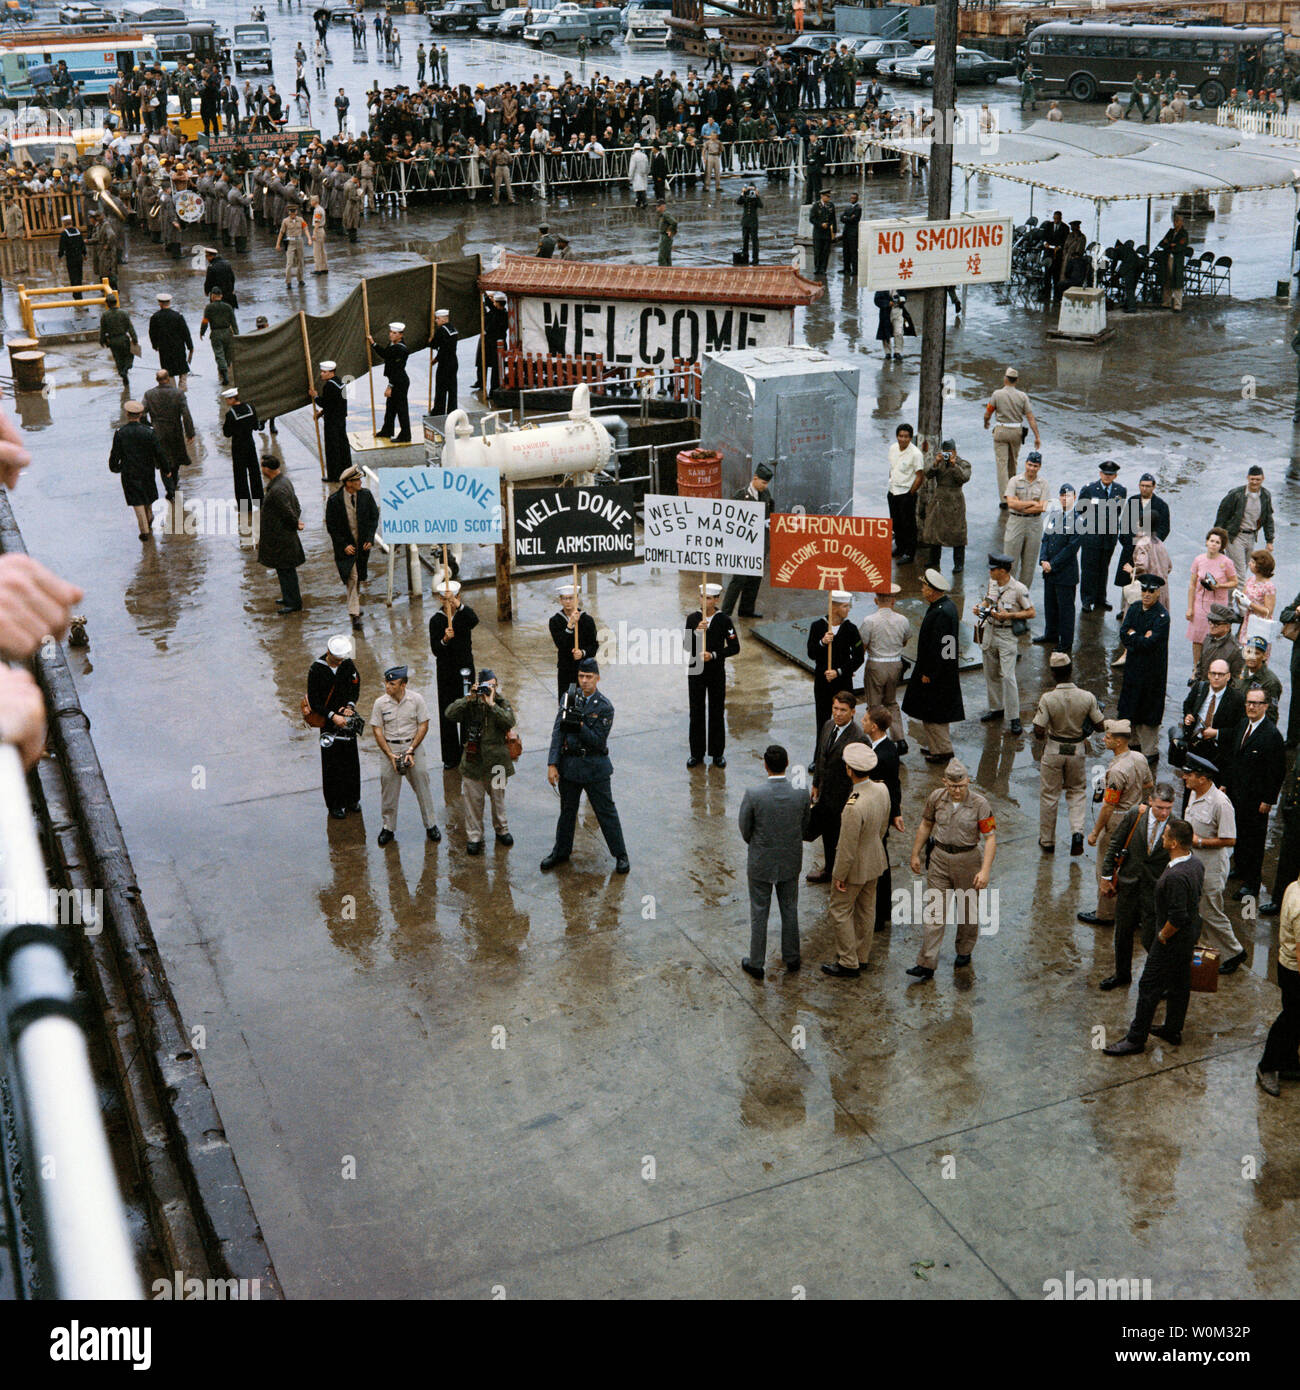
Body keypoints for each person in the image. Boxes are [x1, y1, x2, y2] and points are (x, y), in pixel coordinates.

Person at [1102, 818, 1204, 1054]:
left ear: (1174, 843)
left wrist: (1163, 935)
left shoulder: (1175, 876)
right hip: (1190, 936)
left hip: (1173, 939)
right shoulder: (1195, 864)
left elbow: (1177, 916)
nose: (1162, 838)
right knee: (1180, 982)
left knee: (1149, 985)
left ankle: (1136, 1038)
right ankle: (1172, 1028)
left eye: (1166, 835)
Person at [906, 759, 997, 980]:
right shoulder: (936, 798)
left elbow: (990, 838)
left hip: (968, 860)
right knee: (935, 912)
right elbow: (926, 824)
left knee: (967, 910)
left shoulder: (980, 804)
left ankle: (964, 950)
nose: (957, 791)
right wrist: (915, 853)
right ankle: (927, 962)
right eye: (952, 786)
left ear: (968, 781)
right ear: (944, 782)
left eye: (962, 786)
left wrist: (984, 871)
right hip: (939, 858)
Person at [541, 658, 629, 874]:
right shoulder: (569, 698)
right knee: (567, 811)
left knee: (606, 811)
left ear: (597, 678)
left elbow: (599, 741)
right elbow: (558, 732)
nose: (584, 681)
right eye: (581, 676)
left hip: (594, 766)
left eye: (589, 677)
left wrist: (579, 724)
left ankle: (621, 854)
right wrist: (552, 763)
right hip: (570, 765)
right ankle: (561, 851)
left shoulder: (605, 707)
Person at [739, 743, 812, 979]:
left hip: (761, 861)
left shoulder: (754, 794)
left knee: (759, 912)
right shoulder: (801, 793)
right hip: (790, 860)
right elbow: (804, 826)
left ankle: (756, 962)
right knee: (789, 908)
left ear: (765, 765)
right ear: (787, 764)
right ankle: (792, 957)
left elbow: (745, 829)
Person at [822, 742, 890, 978]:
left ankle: (848, 961)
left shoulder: (853, 806)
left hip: (855, 867)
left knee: (840, 910)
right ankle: (862, 955)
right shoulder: (882, 790)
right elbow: (882, 827)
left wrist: (839, 875)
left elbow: (847, 847)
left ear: (849, 770)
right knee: (866, 909)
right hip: (875, 859)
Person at [1098, 781, 1175, 990]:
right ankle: (1122, 975)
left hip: (1154, 890)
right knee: (1122, 933)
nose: (1163, 813)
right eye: (1159, 807)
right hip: (1129, 884)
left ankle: (1162, 981)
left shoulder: (1175, 825)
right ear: (1150, 802)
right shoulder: (1136, 815)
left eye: (1168, 809)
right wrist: (1106, 876)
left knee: (1152, 937)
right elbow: (1115, 842)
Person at [1078, 720, 1155, 928]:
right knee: (1130, 866)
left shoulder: (1118, 770)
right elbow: (1148, 783)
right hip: (1136, 817)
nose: (1104, 739)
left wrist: (1095, 832)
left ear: (1119, 741)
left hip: (1117, 820)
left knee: (1107, 864)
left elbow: (1108, 807)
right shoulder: (1139, 757)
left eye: (1108, 737)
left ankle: (1105, 913)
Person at [1033, 652, 1104, 855]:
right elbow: (1100, 725)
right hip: (1077, 749)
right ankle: (1077, 833)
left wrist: (1044, 737)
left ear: (1053, 674)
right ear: (1071, 670)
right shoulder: (1087, 697)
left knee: (1049, 795)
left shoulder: (1048, 698)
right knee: (1076, 792)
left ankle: (1047, 841)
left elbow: (1038, 729)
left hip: (1054, 748)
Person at [1223, 689, 1285, 918]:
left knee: (1254, 839)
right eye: (1249, 702)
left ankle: (1252, 881)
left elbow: (1277, 772)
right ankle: (1239, 867)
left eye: (1257, 704)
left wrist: (1269, 800)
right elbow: (1233, 758)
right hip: (1237, 793)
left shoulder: (1271, 735)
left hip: (1257, 799)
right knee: (1238, 833)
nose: (1252, 707)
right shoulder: (1243, 726)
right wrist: (1226, 785)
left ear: (1266, 706)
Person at [1180, 752, 1243, 974]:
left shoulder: (1220, 803)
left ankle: (1235, 952)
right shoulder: (1194, 794)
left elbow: (1230, 839)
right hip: (1194, 864)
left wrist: (1201, 841)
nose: (1184, 778)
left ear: (1203, 778)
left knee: (1211, 911)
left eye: (1189, 775)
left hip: (1211, 868)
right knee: (1199, 910)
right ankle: (1209, 951)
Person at [444, 670, 516, 855]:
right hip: (473, 763)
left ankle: (502, 830)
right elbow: (450, 714)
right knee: (473, 803)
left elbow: (509, 721)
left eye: (492, 685)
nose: (489, 689)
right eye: (486, 685)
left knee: (498, 800)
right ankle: (474, 836)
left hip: (497, 764)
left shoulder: (500, 703)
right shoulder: (471, 703)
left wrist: (492, 704)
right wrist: (468, 698)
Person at [371, 665, 441, 847]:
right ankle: (388, 827)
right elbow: (377, 730)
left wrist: (411, 750)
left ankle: (430, 824)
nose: (387, 686)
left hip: (413, 747)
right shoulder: (380, 703)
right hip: (390, 748)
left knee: (422, 785)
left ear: (403, 685)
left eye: (392, 683)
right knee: (388, 789)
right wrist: (390, 755)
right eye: (386, 682)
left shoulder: (416, 700)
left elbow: (423, 725)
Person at [807, 690, 868, 885]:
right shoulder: (828, 725)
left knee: (843, 839)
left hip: (844, 798)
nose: (838, 713)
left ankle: (842, 873)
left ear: (852, 712)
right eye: (835, 708)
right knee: (827, 834)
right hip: (826, 793)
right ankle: (829, 869)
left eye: (843, 710)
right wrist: (816, 783)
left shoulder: (859, 738)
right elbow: (821, 756)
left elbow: (863, 774)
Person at [904, 569, 963, 763]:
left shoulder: (942, 612)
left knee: (935, 713)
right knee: (930, 711)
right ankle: (935, 746)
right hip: (940, 671)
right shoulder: (944, 607)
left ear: (933, 590)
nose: (922, 589)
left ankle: (943, 751)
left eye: (924, 586)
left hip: (935, 673)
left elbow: (941, 647)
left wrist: (930, 672)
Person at [974, 552, 1034, 736]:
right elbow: (989, 599)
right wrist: (980, 608)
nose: (990, 572)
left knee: (1008, 677)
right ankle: (996, 708)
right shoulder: (993, 583)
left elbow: (1031, 612)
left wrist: (1009, 616)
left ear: (1003, 571)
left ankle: (1014, 717)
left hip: (1007, 634)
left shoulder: (1018, 589)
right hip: (990, 631)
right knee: (990, 673)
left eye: (993, 569)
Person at [685, 581, 739, 769]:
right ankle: (696, 753)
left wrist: (714, 655)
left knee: (716, 711)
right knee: (696, 712)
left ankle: (717, 753)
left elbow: (734, 647)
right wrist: (697, 633)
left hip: (715, 671)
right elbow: (687, 646)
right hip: (696, 670)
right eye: (702, 597)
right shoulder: (693, 618)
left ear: (716, 600)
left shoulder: (724, 620)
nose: (704, 601)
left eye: (708, 598)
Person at [1117, 572, 1170, 760]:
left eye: (1151, 591)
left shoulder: (1162, 616)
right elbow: (1123, 633)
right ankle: (1132, 745)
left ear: (1158, 593)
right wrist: (1139, 637)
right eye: (1144, 590)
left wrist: (1134, 636)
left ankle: (1149, 754)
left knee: (1148, 713)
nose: (1146, 594)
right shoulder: (1134, 608)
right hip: (1133, 669)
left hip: (1151, 674)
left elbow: (1150, 643)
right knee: (1130, 709)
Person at [308, 635, 362, 820]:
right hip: (328, 721)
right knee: (332, 765)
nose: (340, 662)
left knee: (351, 760)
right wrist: (333, 716)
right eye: (337, 659)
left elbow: (355, 687)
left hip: (346, 719)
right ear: (329, 653)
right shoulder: (316, 669)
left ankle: (352, 799)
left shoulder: (347, 665)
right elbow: (314, 701)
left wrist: (349, 706)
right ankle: (335, 804)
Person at [1256, 873, 1300, 1094]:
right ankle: (1267, 1066)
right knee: (1290, 1020)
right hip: (1295, 972)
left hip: (1285, 963)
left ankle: (1289, 1061)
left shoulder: (1293, 886)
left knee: (1294, 1019)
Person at [429, 577, 479, 768]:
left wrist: (457, 604)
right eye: (446, 599)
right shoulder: (436, 620)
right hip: (446, 674)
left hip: (465, 671)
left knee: (468, 711)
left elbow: (474, 620)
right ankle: (451, 757)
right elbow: (435, 649)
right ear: (440, 600)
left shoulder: (464, 615)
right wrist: (444, 639)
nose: (449, 603)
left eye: (453, 599)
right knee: (448, 713)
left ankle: (468, 752)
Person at [806, 590, 864, 750]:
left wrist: (839, 671)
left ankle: (846, 752)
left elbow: (859, 658)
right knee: (823, 721)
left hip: (843, 681)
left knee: (845, 720)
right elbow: (811, 653)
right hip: (823, 682)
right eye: (845, 606)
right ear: (834, 607)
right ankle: (819, 755)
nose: (848, 609)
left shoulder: (851, 629)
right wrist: (822, 643)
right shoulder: (817, 626)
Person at [325, 465, 378, 631]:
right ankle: (354, 613)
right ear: (348, 483)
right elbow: (332, 527)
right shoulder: (334, 501)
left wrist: (370, 538)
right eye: (357, 480)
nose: (360, 482)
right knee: (352, 577)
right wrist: (343, 545)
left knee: (359, 575)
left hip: (362, 546)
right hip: (346, 549)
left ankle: (354, 603)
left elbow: (373, 517)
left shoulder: (366, 496)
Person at [720, 462, 774, 619]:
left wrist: (769, 521)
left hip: (760, 544)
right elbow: (734, 520)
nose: (764, 486)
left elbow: (770, 510)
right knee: (739, 579)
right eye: (763, 482)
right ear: (755, 478)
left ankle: (746, 610)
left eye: (766, 483)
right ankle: (725, 613)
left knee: (755, 578)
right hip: (743, 545)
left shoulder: (766, 494)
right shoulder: (740, 495)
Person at [1034, 484, 1081, 653]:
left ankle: (1066, 642)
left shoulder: (1078, 521)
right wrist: (1043, 560)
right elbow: (1045, 539)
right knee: (1050, 605)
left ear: (1074, 498)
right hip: (1049, 571)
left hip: (1065, 573)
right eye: (1062, 495)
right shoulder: (1054, 516)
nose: (1064, 498)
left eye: (1068, 496)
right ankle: (1051, 634)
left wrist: (1052, 565)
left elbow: (1071, 548)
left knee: (1066, 610)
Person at [1180, 658, 1244, 782]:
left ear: (1228, 676)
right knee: (1190, 783)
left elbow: (1239, 729)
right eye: (1213, 673)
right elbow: (1187, 704)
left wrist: (1217, 733)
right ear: (1208, 675)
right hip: (1195, 744)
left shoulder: (1237, 699)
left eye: (1220, 674)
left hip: (1217, 752)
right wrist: (1188, 716)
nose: (1216, 677)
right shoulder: (1199, 687)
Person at [108, 401, 164, 541]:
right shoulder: (149, 432)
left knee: (137, 500)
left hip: (129, 472)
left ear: (127, 414)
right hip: (147, 470)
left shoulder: (120, 433)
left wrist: (115, 467)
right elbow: (159, 452)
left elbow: (115, 454)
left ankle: (144, 530)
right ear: (140, 414)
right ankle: (149, 516)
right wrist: (165, 468)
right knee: (148, 496)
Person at [983, 367, 1040, 502]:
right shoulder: (1022, 396)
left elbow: (988, 412)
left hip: (1001, 431)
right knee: (1012, 463)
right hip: (1016, 432)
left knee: (1001, 465)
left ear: (1005, 378)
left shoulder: (997, 394)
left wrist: (986, 422)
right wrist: (1037, 436)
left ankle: (1004, 499)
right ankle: (1013, 494)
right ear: (1017, 380)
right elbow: (1030, 417)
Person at [256, 455, 304, 615]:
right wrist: (296, 520)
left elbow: (288, 511)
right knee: (283, 569)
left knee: (286, 570)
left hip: (282, 537)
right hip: (282, 535)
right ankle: (287, 597)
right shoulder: (284, 481)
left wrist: (295, 523)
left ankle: (293, 602)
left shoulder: (277, 490)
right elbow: (296, 504)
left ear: (267, 469)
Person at [860, 585, 908, 746]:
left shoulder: (869, 621)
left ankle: (879, 741)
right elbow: (905, 641)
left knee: (874, 705)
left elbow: (863, 645)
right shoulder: (903, 620)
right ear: (893, 601)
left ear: (876, 600)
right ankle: (899, 738)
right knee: (891, 702)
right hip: (895, 664)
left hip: (876, 664)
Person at [1214, 464, 1274, 584]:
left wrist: (1269, 540)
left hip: (1251, 536)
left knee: (1242, 570)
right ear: (1247, 478)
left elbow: (1268, 518)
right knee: (1240, 574)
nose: (1255, 482)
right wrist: (1218, 539)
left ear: (1263, 479)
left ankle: (1228, 598)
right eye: (1252, 479)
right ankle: (1237, 603)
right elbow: (1221, 516)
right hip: (1235, 536)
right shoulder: (1236, 494)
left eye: (1257, 479)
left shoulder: (1266, 495)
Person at [916, 437, 969, 574]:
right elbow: (927, 474)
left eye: (950, 452)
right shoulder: (939, 462)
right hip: (939, 499)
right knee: (936, 531)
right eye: (945, 452)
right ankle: (934, 559)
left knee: (958, 533)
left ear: (955, 452)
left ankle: (959, 563)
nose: (947, 455)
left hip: (955, 500)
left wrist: (953, 465)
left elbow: (963, 478)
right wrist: (935, 463)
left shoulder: (963, 464)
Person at [1077, 460, 1124, 612]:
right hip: (1092, 536)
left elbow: (1117, 511)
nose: (1107, 477)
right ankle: (1087, 599)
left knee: (1103, 568)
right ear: (1100, 474)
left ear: (1115, 476)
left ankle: (1100, 598)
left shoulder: (1120, 491)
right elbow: (1081, 510)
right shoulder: (1089, 489)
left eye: (1110, 475)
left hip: (1109, 537)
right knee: (1089, 568)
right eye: (1104, 474)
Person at [141, 369, 194, 502]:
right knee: (175, 458)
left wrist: (149, 426)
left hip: (158, 432)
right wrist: (190, 432)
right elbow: (186, 414)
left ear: (156, 379)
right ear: (169, 378)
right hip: (175, 430)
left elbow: (141, 413)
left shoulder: (149, 394)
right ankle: (174, 484)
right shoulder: (178, 393)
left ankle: (169, 489)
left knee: (162, 460)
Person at [1003, 451, 1048, 588]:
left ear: (1039, 467)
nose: (1032, 468)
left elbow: (1043, 506)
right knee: (1010, 562)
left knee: (1029, 564)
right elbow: (1011, 504)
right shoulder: (1014, 481)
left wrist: (1021, 505)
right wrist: (1033, 503)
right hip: (1016, 522)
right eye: (1030, 465)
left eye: (1035, 466)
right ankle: (1007, 594)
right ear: (1025, 464)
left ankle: (1023, 595)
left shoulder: (1043, 483)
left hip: (1034, 524)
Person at [549, 581, 599, 700]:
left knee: (585, 701)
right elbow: (560, 644)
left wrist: (583, 653)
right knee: (565, 701)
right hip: (566, 669)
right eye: (565, 598)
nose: (568, 601)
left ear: (577, 599)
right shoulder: (555, 621)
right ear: (560, 600)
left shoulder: (587, 620)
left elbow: (594, 645)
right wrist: (570, 625)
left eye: (571, 598)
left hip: (584, 669)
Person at [886, 422, 923, 565]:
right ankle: (900, 548)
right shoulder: (893, 449)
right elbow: (892, 468)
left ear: (910, 437)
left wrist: (910, 494)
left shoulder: (916, 454)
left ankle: (909, 552)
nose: (903, 439)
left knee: (909, 525)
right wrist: (890, 481)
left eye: (906, 437)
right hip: (893, 491)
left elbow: (920, 476)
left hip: (906, 493)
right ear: (897, 436)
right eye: (900, 436)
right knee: (896, 523)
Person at [369, 322, 411, 443]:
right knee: (391, 407)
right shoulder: (393, 344)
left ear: (401, 335)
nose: (391, 335)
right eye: (391, 332)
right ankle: (387, 430)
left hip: (399, 382)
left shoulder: (401, 349)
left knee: (401, 409)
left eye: (394, 333)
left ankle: (405, 435)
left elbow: (396, 370)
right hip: (395, 379)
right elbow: (385, 354)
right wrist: (373, 343)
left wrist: (390, 387)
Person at [221, 386, 262, 509]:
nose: (227, 402)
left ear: (232, 399)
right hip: (250, 443)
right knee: (254, 472)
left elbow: (227, 433)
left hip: (238, 446)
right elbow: (256, 426)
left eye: (227, 399)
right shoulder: (250, 408)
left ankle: (245, 505)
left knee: (240, 476)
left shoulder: (230, 414)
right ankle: (259, 500)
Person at [312, 360, 351, 484]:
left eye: (324, 372)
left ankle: (334, 475)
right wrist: (321, 413)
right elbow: (336, 402)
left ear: (331, 372)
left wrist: (315, 396)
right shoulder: (340, 382)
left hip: (332, 421)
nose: (321, 374)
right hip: (340, 418)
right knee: (343, 446)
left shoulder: (329, 386)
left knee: (332, 448)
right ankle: (347, 471)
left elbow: (326, 403)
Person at [147, 292, 192, 391]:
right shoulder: (178, 316)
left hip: (164, 349)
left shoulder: (155, 317)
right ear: (169, 302)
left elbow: (152, 333)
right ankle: (182, 388)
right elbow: (185, 332)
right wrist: (190, 346)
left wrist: (155, 346)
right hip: (179, 347)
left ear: (160, 303)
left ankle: (173, 390)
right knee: (182, 368)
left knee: (168, 371)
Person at [1236, 635, 1283, 724]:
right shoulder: (1241, 670)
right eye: (1249, 652)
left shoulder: (1271, 682)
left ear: (1265, 656)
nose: (1252, 657)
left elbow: (1271, 716)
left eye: (1257, 653)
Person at [1236, 549, 1277, 649]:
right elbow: (1244, 597)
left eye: (1253, 562)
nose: (1249, 563)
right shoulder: (1250, 580)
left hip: (1260, 625)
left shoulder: (1269, 587)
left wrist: (1249, 604)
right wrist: (1239, 598)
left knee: (1255, 653)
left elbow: (1268, 612)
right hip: (1248, 620)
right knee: (1244, 651)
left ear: (1260, 566)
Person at [199, 288, 238, 387]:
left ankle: (224, 374)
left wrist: (202, 332)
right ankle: (227, 370)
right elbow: (234, 322)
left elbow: (205, 322)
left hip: (216, 333)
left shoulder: (209, 308)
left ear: (212, 296)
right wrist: (237, 335)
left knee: (219, 354)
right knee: (228, 354)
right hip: (227, 332)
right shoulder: (228, 307)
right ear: (221, 296)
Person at [1198, 603, 1245, 683]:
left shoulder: (1236, 650)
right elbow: (1200, 666)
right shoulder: (1208, 640)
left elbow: (1236, 680)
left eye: (1217, 624)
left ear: (1227, 627)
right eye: (1210, 622)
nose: (1212, 626)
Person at [99, 293, 138, 388]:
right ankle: (126, 368)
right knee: (129, 356)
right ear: (116, 302)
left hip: (113, 340)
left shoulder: (105, 315)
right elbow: (130, 327)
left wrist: (102, 341)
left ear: (107, 304)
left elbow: (103, 330)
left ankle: (122, 373)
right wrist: (134, 339)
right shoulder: (124, 313)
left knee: (118, 359)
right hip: (124, 338)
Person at [1156, 211, 1190, 311]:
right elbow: (1162, 243)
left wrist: (1170, 245)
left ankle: (1177, 305)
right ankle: (1166, 302)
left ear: (1181, 222)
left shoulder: (1184, 234)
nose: (1175, 223)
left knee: (1177, 282)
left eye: (1177, 221)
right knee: (1167, 280)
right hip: (1167, 259)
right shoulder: (1170, 232)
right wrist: (1171, 244)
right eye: (1174, 221)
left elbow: (1180, 247)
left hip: (1177, 261)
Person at [431, 308, 458, 416]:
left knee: (441, 388)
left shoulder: (441, 330)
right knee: (452, 389)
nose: (436, 321)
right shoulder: (453, 329)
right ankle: (452, 411)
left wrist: (430, 340)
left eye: (437, 319)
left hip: (444, 364)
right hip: (453, 362)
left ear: (443, 319)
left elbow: (434, 345)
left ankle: (438, 411)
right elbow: (446, 348)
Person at [276, 202, 308, 286]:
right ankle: (288, 281)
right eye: (291, 212)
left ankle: (300, 279)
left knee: (300, 261)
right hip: (290, 242)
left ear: (296, 212)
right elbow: (281, 232)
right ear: (289, 212)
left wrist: (309, 238)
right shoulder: (285, 221)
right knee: (289, 262)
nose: (293, 213)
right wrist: (278, 243)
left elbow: (305, 229)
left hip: (299, 241)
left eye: (294, 211)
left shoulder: (301, 219)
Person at [56, 214, 85, 299]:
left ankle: (76, 295)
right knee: (79, 276)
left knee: (73, 276)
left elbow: (62, 247)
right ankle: (79, 293)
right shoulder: (78, 231)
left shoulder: (64, 234)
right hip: (79, 258)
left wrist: (59, 256)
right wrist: (84, 254)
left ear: (64, 224)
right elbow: (82, 244)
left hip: (71, 258)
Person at [809, 187, 837, 277]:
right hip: (818, 232)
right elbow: (812, 219)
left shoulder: (831, 206)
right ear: (822, 196)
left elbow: (833, 218)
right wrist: (820, 224)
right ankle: (817, 268)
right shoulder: (816, 206)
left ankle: (823, 269)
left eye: (829, 197)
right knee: (818, 251)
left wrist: (834, 230)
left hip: (827, 233)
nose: (828, 199)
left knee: (826, 251)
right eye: (826, 197)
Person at [737, 183, 761, 265]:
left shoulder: (755, 197)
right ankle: (745, 257)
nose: (751, 192)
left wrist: (757, 196)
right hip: (745, 221)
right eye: (749, 189)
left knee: (754, 242)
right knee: (745, 241)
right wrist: (743, 193)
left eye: (752, 189)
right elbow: (738, 202)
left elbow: (761, 205)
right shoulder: (745, 196)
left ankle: (755, 259)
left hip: (753, 222)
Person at [840, 190, 861, 277]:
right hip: (846, 232)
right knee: (846, 251)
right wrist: (848, 217)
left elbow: (854, 219)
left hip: (853, 233)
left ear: (857, 199)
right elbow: (841, 218)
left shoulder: (858, 208)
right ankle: (846, 268)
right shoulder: (848, 207)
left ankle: (855, 270)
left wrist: (847, 218)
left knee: (853, 252)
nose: (852, 199)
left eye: (854, 198)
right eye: (851, 198)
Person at [628, 143, 650, 209]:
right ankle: (639, 202)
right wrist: (647, 173)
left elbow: (632, 167)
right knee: (641, 188)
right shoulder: (644, 155)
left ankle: (644, 201)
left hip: (637, 174)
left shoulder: (634, 156)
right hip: (643, 174)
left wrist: (630, 176)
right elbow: (647, 165)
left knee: (639, 189)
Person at [655, 200, 677, 265]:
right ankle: (669, 270)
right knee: (667, 256)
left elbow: (674, 222)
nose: (657, 208)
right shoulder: (662, 215)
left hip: (665, 237)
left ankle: (663, 272)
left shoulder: (665, 214)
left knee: (662, 257)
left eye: (658, 206)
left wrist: (670, 231)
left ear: (662, 206)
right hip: (664, 237)